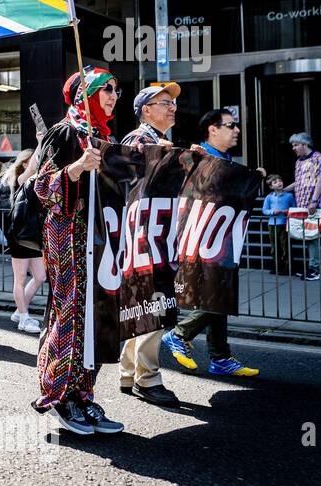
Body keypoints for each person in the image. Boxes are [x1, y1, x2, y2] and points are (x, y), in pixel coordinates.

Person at [30, 68, 126, 436]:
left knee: (94, 315)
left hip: (98, 237)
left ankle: (83, 394)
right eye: (106, 89)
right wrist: (76, 168)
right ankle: (57, 395)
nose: (114, 95)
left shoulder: (105, 136)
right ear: (85, 94)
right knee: (69, 311)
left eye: (117, 89)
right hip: (68, 233)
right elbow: (41, 188)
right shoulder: (65, 131)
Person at [162, 108, 262, 378]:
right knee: (219, 292)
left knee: (221, 292)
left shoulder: (224, 159)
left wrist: (252, 179)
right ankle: (180, 334)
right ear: (212, 130)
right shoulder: (198, 156)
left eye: (236, 125)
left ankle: (220, 357)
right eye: (230, 125)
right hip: (200, 239)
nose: (236, 130)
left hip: (221, 240)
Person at [117, 82, 182, 406]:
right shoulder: (138, 139)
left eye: (172, 103)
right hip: (146, 239)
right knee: (155, 305)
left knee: (143, 304)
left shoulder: (158, 141)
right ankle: (148, 379)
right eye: (164, 102)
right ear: (146, 110)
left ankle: (130, 373)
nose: (172, 107)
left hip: (154, 238)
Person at [1, 149, 44, 334]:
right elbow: (33, 166)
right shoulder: (21, 181)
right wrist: (41, 142)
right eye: (33, 161)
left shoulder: (37, 181)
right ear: (25, 164)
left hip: (34, 235)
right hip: (19, 235)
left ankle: (20, 311)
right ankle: (24, 318)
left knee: (40, 276)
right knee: (20, 279)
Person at [285, 132, 321, 281]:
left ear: (305, 144)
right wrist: (283, 190)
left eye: (296, 145)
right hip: (301, 205)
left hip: (313, 205)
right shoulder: (299, 162)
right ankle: (310, 267)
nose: (294, 148)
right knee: (305, 236)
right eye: (293, 145)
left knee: (312, 238)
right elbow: (298, 182)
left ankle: (315, 269)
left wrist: (314, 201)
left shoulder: (319, 158)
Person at [261, 174, 294, 275]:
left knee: (286, 246)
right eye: (275, 182)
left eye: (280, 181)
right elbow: (264, 210)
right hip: (272, 224)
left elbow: (294, 207)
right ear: (271, 186)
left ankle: (288, 267)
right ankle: (277, 266)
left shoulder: (289, 196)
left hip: (284, 223)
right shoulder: (269, 197)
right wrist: (272, 212)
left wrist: (287, 211)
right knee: (275, 246)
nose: (279, 183)